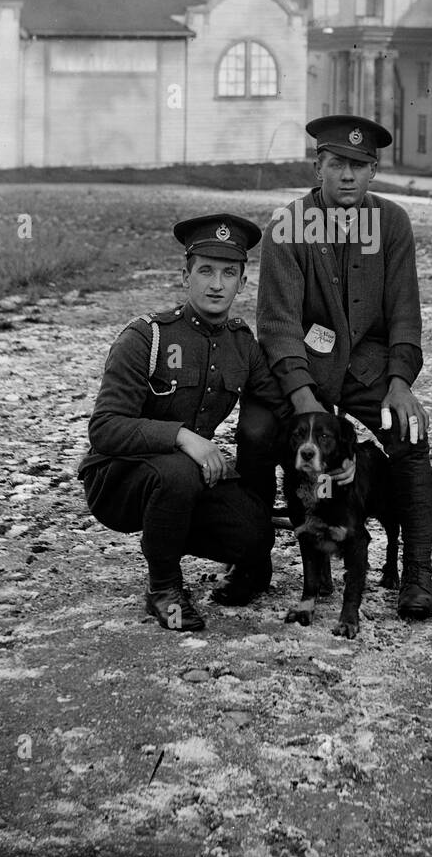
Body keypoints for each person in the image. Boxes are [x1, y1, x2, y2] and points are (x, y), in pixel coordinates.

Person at [238, 114, 432, 619]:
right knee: (259, 434)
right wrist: (305, 401)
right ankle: (252, 561)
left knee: (410, 435)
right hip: (302, 370)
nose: (348, 175)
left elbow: (404, 315)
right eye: (336, 164)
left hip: (369, 371)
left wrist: (399, 383)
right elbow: (278, 325)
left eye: (360, 165)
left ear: (373, 171)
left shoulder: (391, 222)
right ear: (318, 167)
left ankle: (416, 575)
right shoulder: (288, 226)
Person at [77, 213, 289, 632]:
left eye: (229, 273)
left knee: (254, 535)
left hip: (184, 482)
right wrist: (182, 436)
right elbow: (104, 428)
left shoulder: (242, 346)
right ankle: (165, 589)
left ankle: (166, 535)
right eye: (206, 270)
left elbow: (278, 405)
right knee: (176, 468)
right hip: (116, 479)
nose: (216, 284)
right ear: (186, 275)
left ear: (243, 282)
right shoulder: (146, 337)